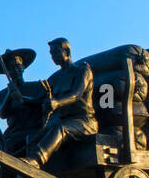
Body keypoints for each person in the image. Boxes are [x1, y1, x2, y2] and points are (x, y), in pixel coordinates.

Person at [19, 38, 98, 170]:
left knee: (61, 129)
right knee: (32, 137)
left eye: (56, 52)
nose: (52, 56)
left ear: (66, 51)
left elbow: (76, 94)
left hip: (84, 122)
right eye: (51, 53)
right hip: (61, 121)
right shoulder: (55, 77)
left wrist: (57, 103)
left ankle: (36, 161)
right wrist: (21, 98)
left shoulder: (82, 71)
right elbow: (39, 99)